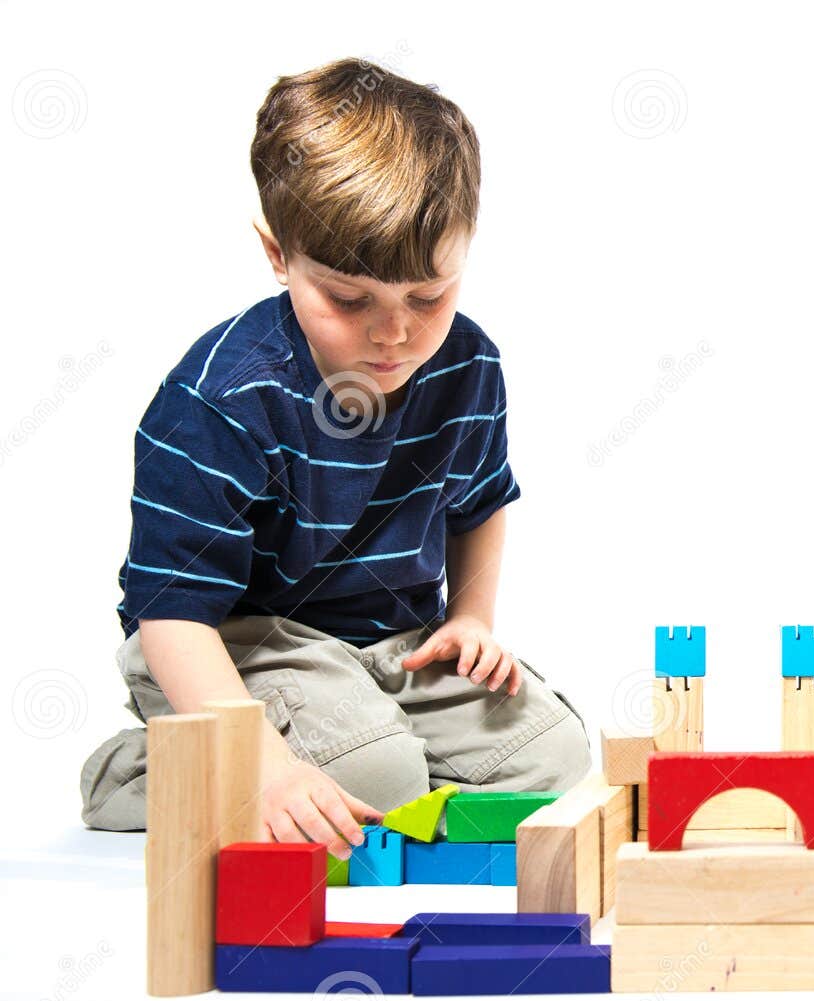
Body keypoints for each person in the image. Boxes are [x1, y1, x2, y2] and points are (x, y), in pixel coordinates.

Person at [80, 58, 591, 854]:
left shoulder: (468, 364)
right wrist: (261, 765)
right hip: (237, 647)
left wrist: (471, 618)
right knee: (378, 780)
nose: (395, 333)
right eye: (350, 301)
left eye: (427, 297)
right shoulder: (224, 399)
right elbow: (171, 616)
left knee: (556, 760)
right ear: (278, 254)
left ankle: (361, 762)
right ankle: (152, 765)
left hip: (388, 649)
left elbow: (481, 503)